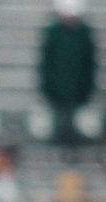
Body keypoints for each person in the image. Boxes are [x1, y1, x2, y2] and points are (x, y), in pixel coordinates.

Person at [37, 0, 96, 148]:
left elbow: (89, 63)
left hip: (78, 90)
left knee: (78, 127)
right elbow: (47, 63)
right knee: (59, 126)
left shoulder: (84, 33)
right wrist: (49, 87)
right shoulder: (53, 33)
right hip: (57, 90)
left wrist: (86, 87)